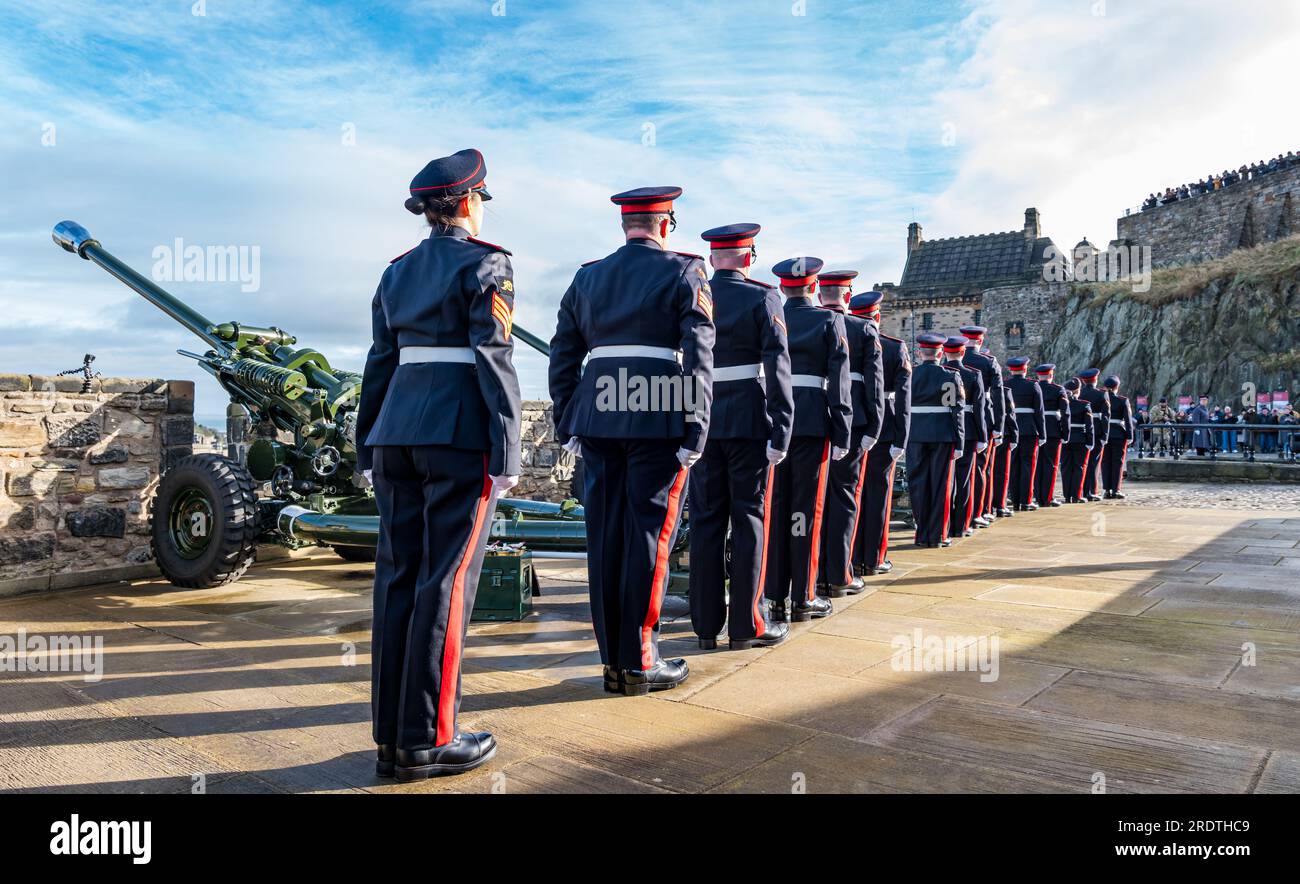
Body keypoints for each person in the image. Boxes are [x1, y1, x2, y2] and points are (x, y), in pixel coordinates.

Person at [358, 148, 522, 780]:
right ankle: (430, 737)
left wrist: (367, 442)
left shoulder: (396, 271)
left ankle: (393, 739)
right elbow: (494, 355)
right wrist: (506, 446)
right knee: (448, 581)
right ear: (471, 201)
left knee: (398, 576)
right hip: (458, 435)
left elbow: (379, 360)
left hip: (396, 432)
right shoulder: (487, 263)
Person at [549, 185, 715, 696]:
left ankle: (612, 661)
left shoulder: (588, 275)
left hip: (597, 416)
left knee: (604, 538)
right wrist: (697, 423)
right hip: (657, 412)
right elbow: (699, 350)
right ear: (667, 223)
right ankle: (640, 660)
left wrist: (568, 420)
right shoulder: (684, 270)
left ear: (627, 225)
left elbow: (563, 352)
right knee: (650, 536)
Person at [687, 223, 793, 651]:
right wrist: (782, 426)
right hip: (748, 420)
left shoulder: (694, 293)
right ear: (749, 257)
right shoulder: (762, 295)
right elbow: (778, 364)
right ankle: (748, 625)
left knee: (706, 521)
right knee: (749, 520)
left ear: (713, 259)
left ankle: (705, 625)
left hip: (700, 417)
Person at [763, 257, 852, 622]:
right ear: (814, 287)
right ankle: (803, 594)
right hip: (813, 423)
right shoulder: (828, 320)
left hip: (771, 422)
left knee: (775, 509)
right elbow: (840, 385)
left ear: (783, 287)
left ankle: (773, 596)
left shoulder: (770, 315)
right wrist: (843, 430)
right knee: (804, 512)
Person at [815, 270, 883, 597]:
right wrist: (875, 426)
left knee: (810, 502)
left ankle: (811, 573)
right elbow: (875, 386)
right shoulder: (863, 328)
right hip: (852, 424)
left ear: (818, 294)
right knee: (844, 499)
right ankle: (839, 573)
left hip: (809, 421)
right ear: (848, 295)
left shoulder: (804, 320)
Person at [850, 292, 911, 577]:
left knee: (849, 495)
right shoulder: (893, 347)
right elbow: (903, 400)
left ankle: (848, 557)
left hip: (849, 425)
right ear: (877, 316)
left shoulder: (844, 335)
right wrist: (902, 437)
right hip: (884, 428)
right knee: (877, 495)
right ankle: (873, 557)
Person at [906, 333, 964, 548]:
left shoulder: (910, 374)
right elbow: (955, 411)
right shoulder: (949, 375)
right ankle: (938, 535)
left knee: (918, 485)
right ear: (941, 353)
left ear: (920, 353)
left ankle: (921, 534)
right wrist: (960, 442)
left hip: (916, 435)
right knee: (941, 486)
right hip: (943, 434)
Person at [941, 336, 987, 537]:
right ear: (962, 352)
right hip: (968, 431)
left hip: (944, 430)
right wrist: (983, 436)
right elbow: (980, 410)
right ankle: (960, 525)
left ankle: (944, 524)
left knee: (945, 479)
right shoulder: (973, 375)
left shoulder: (942, 373)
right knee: (964, 480)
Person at [959, 326, 1003, 527]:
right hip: (984, 415)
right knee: (982, 468)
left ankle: (958, 513)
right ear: (981, 341)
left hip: (957, 417)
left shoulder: (952, 360)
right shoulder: (989, 362)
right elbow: (998, 394)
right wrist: (999, 424)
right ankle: (978, 511)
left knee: (959, 470)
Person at [1006, 356, 1046, 511]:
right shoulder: (1033, 385)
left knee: (1013, 465)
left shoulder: (1006, 384)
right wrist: (1042, 434)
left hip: (1010, 430)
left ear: (1011, 370)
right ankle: (1026, 500)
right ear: (1025, 369)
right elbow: (1039, 412)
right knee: (1028, 466)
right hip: (1029, 429)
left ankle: (1015, 500)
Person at [1034, 364, 1069, 507]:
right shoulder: (1058, 389)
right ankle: (1047, 497)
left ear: (1038, 376)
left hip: (1035, 429)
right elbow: (1065, 413)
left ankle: (1036, 496)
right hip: (1053, 431)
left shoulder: (1033, 387)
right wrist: (1065, 433)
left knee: (1035, 465)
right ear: (1051, 375)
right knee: (1051, 465)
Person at [1077, 368, 1111, 500]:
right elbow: (1106, 417)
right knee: (1094, 463)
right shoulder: (1102, 394)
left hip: (1082, 430)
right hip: (1097, 431)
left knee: (1082, 462)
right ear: (1095, 379)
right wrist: (1105, 435)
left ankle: (1080, 490)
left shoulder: (1080, 394)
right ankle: (1092, 490)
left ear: (1084, 381)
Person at [1059, 379, 1094, 503]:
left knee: (1066, 467)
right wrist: (1090, 441)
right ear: (1077, 391)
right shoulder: (1084, 404)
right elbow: (1089, 426)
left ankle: (1067, 496)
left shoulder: (1061, 403)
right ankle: (1077, 495)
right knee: (1079, 467)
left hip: (1064, 439)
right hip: (1080, 439)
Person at [1101, 375, 1134, 498]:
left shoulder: (1101, 398)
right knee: (1117, 462)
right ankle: (1116, 489)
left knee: (1105, 462)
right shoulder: (1122, 400)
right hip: (1118, 434)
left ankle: (1106, 490)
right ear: (1117, 387)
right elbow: (1128, 419)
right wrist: (1130, 436)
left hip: (1104, 433)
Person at [990, 383, 1019, 517]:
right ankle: (1000, 505)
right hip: (1003, 434)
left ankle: (988, 506)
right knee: (1002, 472)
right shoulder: (1004, 391)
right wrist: (1014, 436)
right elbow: (1010, 415)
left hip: (984, 434)